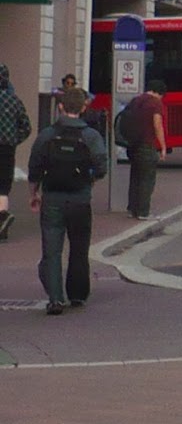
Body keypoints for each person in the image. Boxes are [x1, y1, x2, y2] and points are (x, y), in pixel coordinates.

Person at [27, 88, 107, 314]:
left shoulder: (47, 135)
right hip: (80, 199)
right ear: (83, 108)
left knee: (51, 250)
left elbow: (34, 168)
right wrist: (89, 179)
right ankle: (78, 293)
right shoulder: (91, 136)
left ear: (60, 106)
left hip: (52, 197)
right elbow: (102, 167)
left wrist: (34, 194)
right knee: (79, 248)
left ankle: (55, 297)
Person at [121, 79, 169, 219]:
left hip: (132, 144)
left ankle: (132, 209)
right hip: (146, 144)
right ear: (159, 93)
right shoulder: (155, 103)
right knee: (147, 179)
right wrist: (163, 146)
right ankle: (143, 211)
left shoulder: (135, 100)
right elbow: (157, 125)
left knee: (135, 177)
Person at [0, 63, 33, 240]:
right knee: (3, 186)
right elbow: (27, 127)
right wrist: (14, 139)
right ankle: (2, 216)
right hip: (6, 148)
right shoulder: (14, 101)